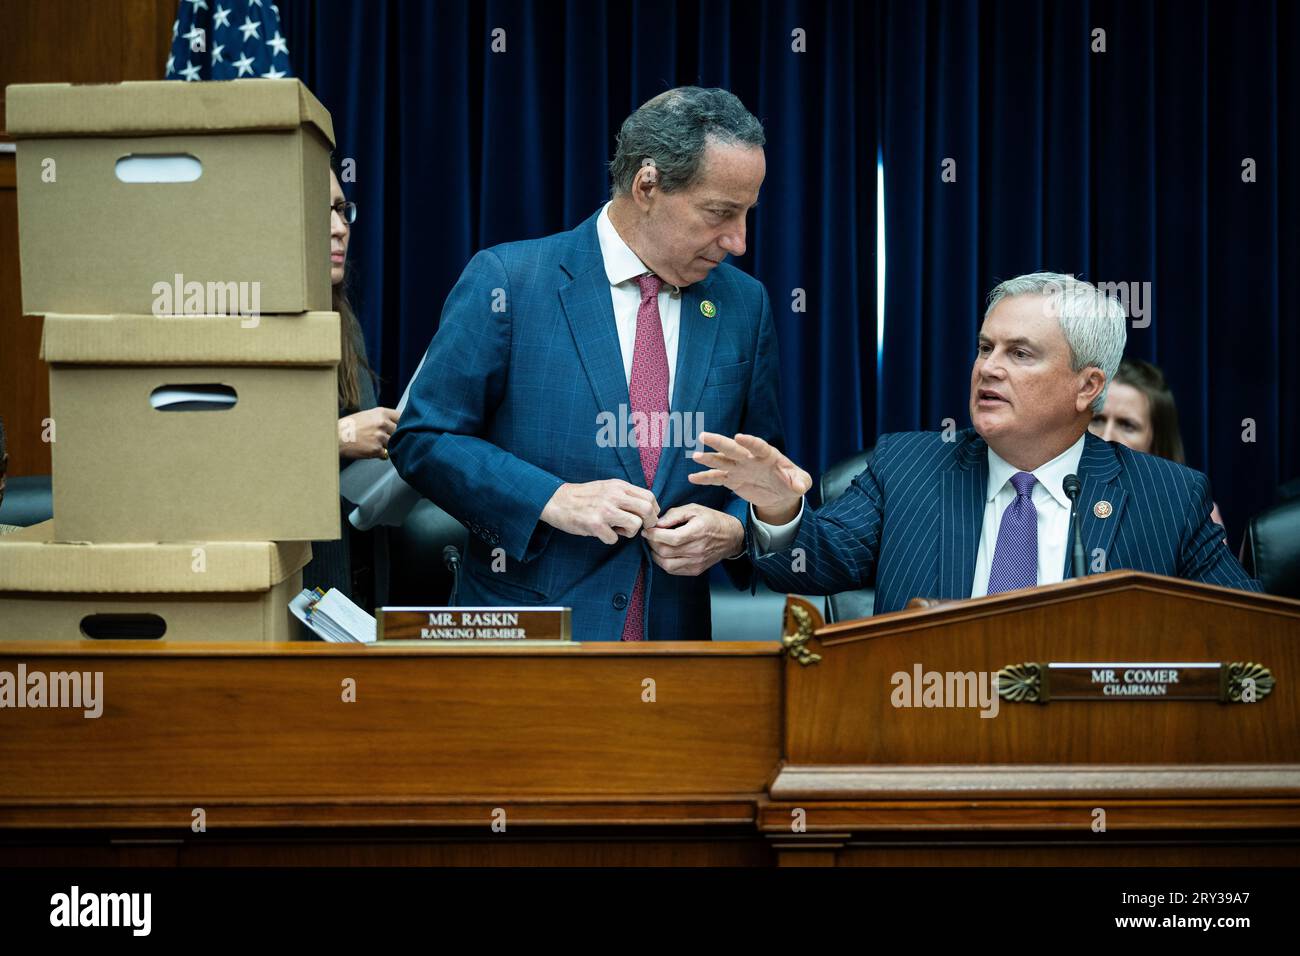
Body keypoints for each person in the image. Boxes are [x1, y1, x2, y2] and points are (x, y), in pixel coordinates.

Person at [390, 87, 786, 641]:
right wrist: (552, 499)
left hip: (673, 647)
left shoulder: (745, 305)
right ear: (647, 185)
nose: (739, 241)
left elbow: (762, 471)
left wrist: (737, 532)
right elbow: (424, 438)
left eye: (747, 214)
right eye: (720, 212)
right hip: (531, 648)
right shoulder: (510, 280)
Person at [689, 272, 1260, 610]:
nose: (989, 368)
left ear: (1088, 386)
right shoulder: (910, 467)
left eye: (1020, 353)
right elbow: (806, 564)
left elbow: (1251, 634)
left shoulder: (1167, 498)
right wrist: (778, 502)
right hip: (929, 749)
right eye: (986, 348)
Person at [301, 160, 399, 609]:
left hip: (356, 570)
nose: (340, 228)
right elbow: (228, 458)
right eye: (324, 211)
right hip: (298, 580)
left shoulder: (345, 323)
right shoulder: (240, 323)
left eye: (344, 210)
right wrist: (338, 437)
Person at [1089, 357, 1224, 528]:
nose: (1107, 437)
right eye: (1098, 420)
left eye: (1127, 425)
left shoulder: (1193, 511)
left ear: (1157, 440)